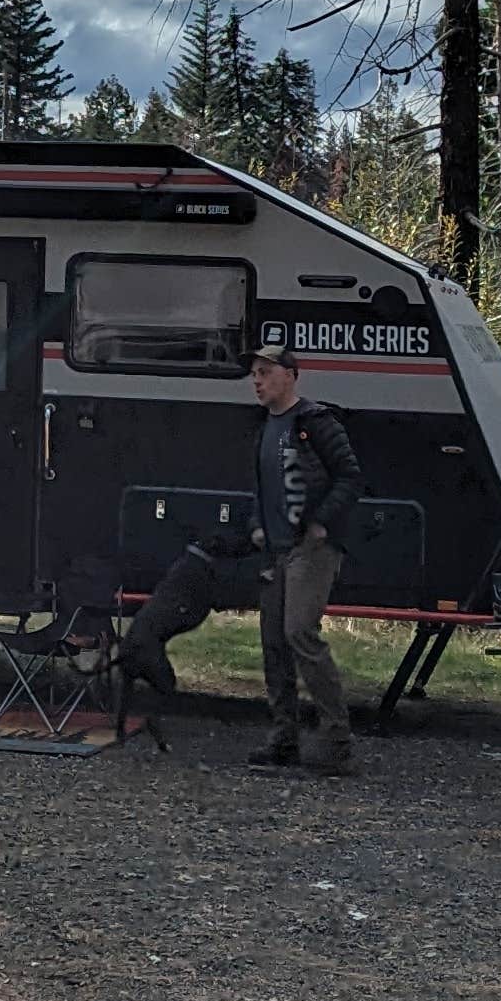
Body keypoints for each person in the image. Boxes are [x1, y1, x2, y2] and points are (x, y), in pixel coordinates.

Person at [121, 330, 365, 773]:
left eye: (266, 373)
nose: (257, 382)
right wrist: (255, 527)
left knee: (299, 634)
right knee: (273, 643)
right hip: (273, 550)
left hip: (312, 549)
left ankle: (336, 739)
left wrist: (320, 522)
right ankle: (283, 737)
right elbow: (261, 490)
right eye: (254, 374)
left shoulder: (316, 422)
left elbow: (350, 476)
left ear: (291, 376)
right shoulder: (265, 430)